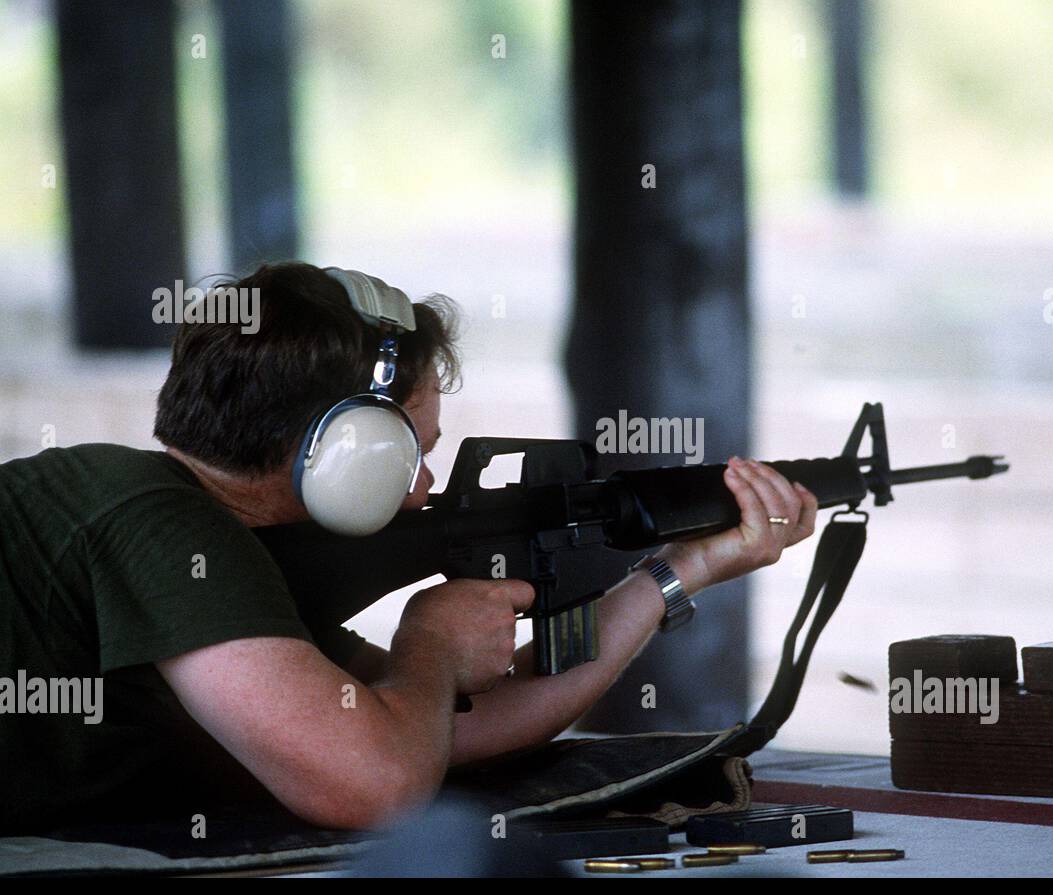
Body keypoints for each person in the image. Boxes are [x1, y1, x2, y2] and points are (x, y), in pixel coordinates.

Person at [0, 262, 817, 833]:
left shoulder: (212, 542)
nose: (425, 486)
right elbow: (376, 781)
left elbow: (438, 734)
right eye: (412, 449)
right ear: (343, 447)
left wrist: (681, 571)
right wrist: (430, 643)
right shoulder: (158, 527)